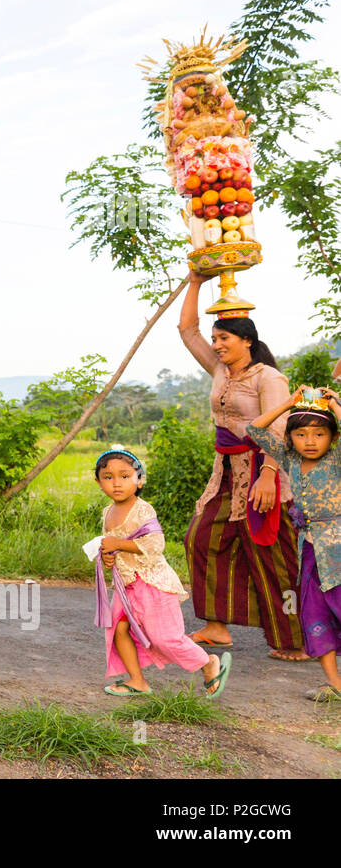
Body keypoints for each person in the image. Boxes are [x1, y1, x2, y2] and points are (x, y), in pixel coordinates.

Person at [177, 270, 306, 659]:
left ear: (247, 340)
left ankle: (297, 639)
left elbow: (280, 427)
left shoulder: (269, 378)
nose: (216, 345)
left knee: (276, 557)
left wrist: (268, 476)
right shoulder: (219, 370)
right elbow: (187, 330)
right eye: (215, 339)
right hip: (226, 474)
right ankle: (216, 626)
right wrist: (195, 281)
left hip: (264, 472)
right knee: (202, 539)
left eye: (224, 338)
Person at [92, 449, 230, 698]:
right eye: (108, 477)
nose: (116, 483)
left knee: (164, 638)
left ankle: (207, 662)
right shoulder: (107, 512)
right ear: (98, 482)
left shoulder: (143, 510)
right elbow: (114, 546)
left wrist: (118, 545)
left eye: (124, 476)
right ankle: (138, 681)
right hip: (126, 586)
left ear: (140, 479)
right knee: (118, 631)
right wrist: (109, 556)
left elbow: (155, 545)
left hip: (152, 584)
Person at [248, 386, 341, 701]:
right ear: (291, 440)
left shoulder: (337, 459)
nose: (310, 441)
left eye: (319, 434)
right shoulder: (288, 458)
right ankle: (335, 685)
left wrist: (334, 404)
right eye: (301, 434)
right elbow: (255, 429)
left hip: (338, 550)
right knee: (315, 615)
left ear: (333, 438)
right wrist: (288, 403)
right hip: (311, 552)